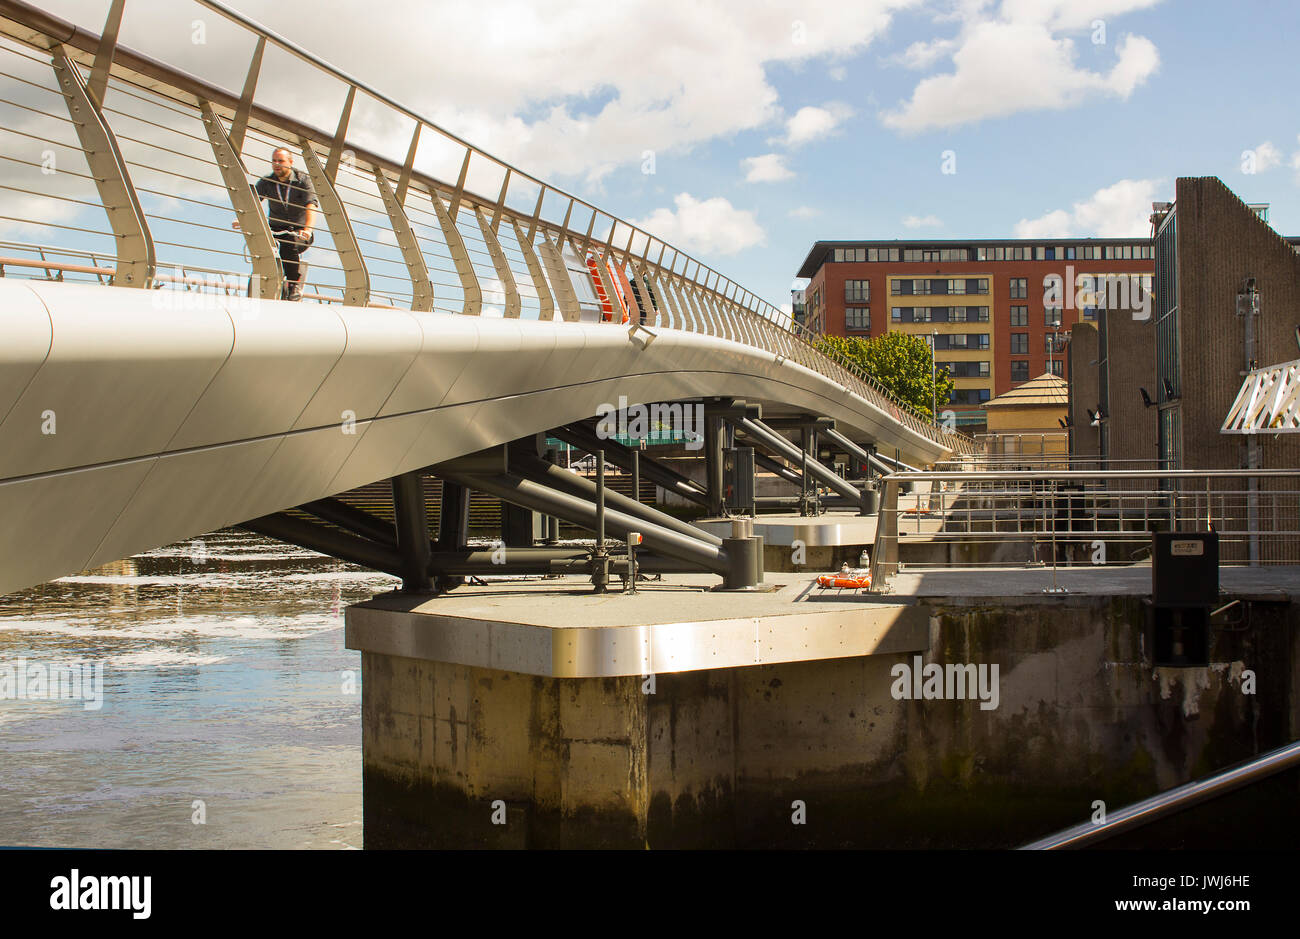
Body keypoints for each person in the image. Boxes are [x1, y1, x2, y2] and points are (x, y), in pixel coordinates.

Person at [254, 147, 318, 301]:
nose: (277, 164)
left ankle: (293, 283)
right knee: (262, 247)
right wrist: (241, 219)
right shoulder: (267, 182)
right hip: (275, 230)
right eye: (274, 161)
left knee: (289, 244)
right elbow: (252, 202)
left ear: (290, 162)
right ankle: (258, 286)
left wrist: (308, 229)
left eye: (281, 161)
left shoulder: (303, 181)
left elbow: (311, 205)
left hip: (299, 232)